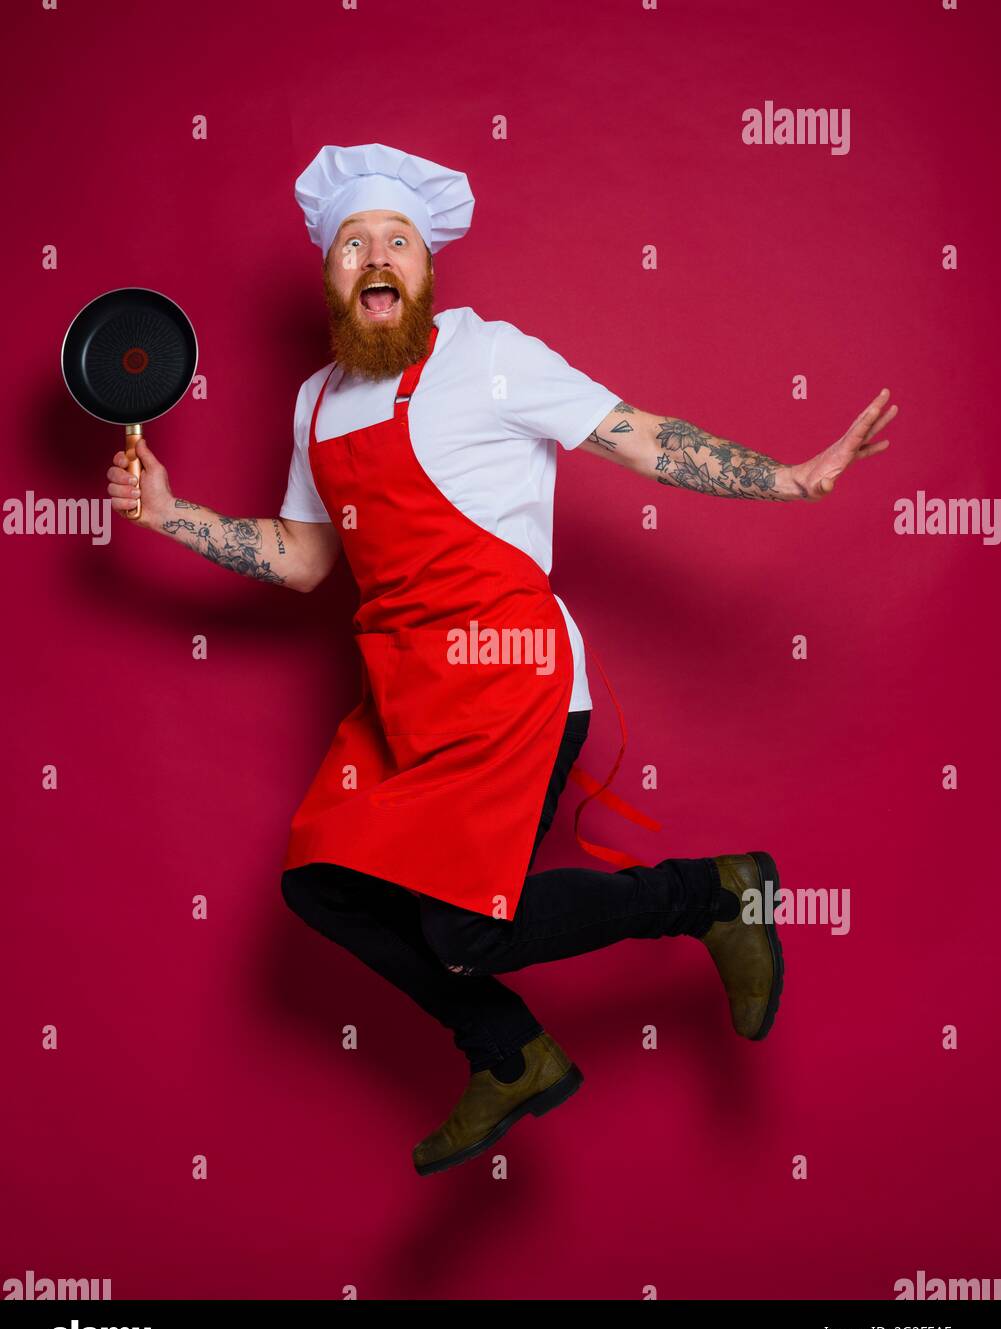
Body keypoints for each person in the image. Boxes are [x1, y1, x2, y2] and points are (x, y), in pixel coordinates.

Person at [105, 143, 898, 1178]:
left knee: (463, 933)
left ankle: (714, 893)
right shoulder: (309, 404)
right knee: (320, 888)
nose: (376, 255)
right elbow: (305, 561)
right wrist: (169, 516)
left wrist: (791, 480)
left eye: (398, 241)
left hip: (511, 683)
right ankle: (511, 1052)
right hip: (399, 700)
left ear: (425, 270)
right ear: (332, 274)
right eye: (355, 243)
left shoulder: (489, 357)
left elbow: (636, 437)